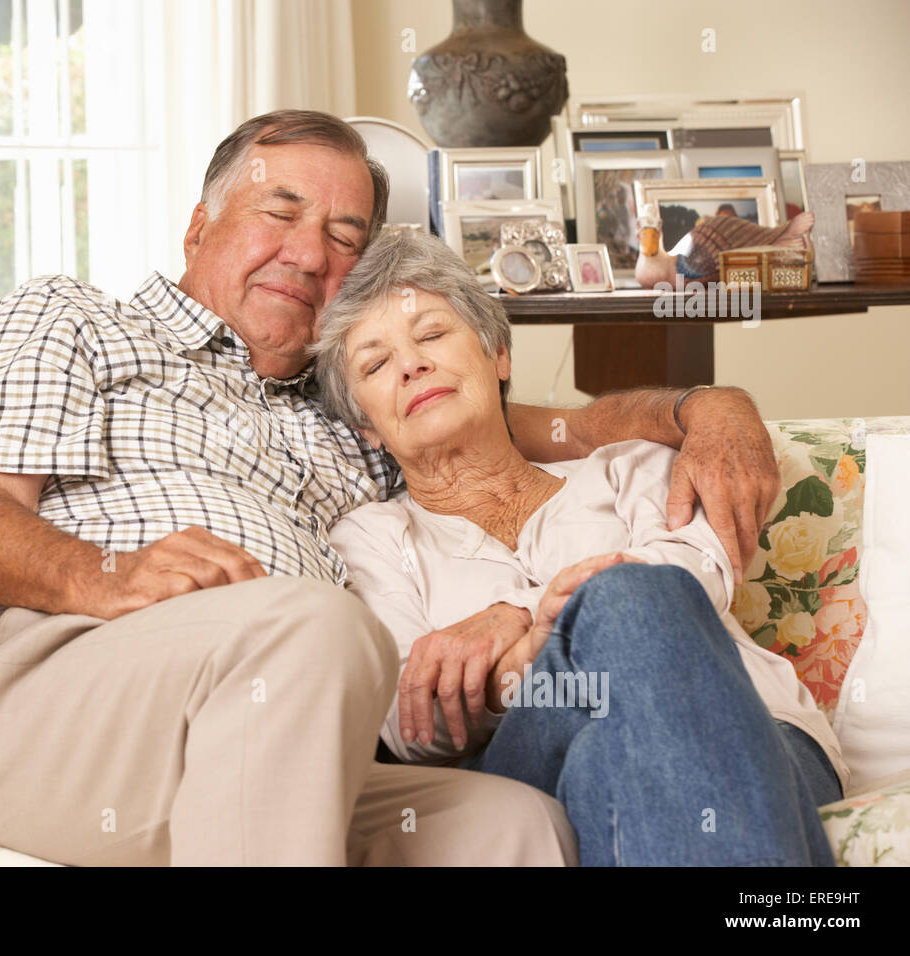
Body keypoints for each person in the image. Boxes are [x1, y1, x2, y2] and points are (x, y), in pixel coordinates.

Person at [0, 109, 781, 866]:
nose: (307, 252)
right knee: (314, 623)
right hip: (60, 709)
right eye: (280, 212)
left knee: (513, 824)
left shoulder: (352, 409)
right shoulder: (74, 320)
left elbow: (534, 423)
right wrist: (107, 575)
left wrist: (706, 406)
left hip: (278, 730)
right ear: (197, 228)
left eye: (344, 238)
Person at [310, 227, 845, 866]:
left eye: (431, 334)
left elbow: (700, 572)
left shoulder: (629, 467)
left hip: (756, 735)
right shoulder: (368, 540)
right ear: (366, 425)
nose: (410, 364)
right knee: (619, 611)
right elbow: (409, 722)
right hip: (528, 755)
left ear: (497, 354)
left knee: (609, 748)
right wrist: (539, 657)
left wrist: (516, 621)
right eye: (374, 363)